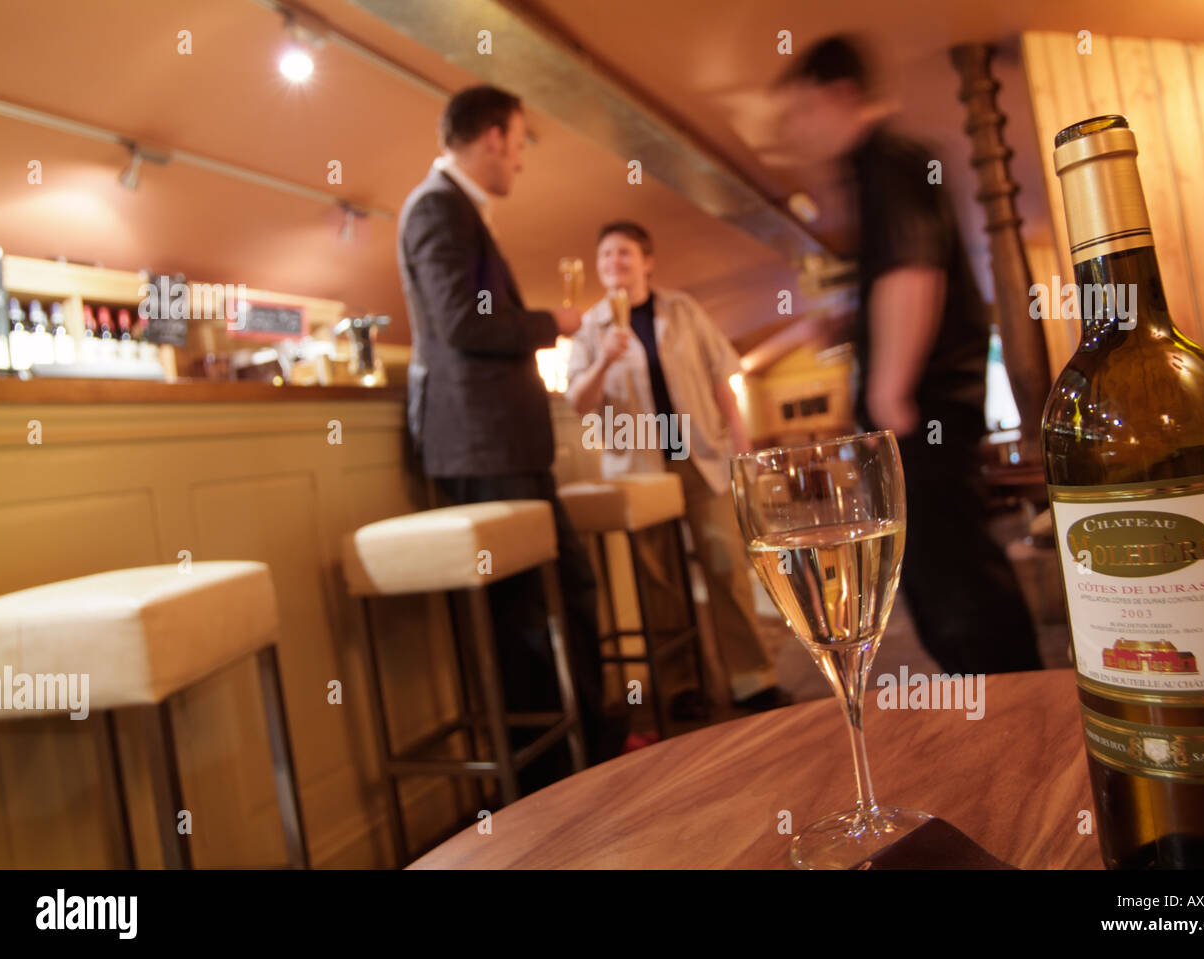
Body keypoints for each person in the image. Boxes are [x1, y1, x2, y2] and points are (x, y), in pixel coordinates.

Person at [775, 37, 1042, 674]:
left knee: (951, 575)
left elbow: (912, 270)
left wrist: (888, 392)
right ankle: (1001, 703)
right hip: (925, 410)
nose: (796, 130)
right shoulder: (879, 171)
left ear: (839, 95)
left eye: (802, 111)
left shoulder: (892, 162)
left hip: (922, 412)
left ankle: (1012, 710)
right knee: (939, 571)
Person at [397, 85, 625, 785]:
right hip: (481, 442)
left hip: (496, 441)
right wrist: (550, 323)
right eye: (521, 142)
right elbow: (462, 322)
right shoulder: (439, 206)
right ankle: (561, 772)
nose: (521, 161)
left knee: (554, 599)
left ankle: (580, 755)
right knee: (531, 613)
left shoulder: (452, 207)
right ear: (492, 136)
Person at [566, 221, 789, 714]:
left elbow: (720, 379)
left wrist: (743, 449)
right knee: (659, 580)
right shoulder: (590, 327)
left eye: (624, 253)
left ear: (647, 261)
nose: (613, 263)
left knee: (726, 564)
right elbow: (580, 404)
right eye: (605, 256)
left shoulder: (682, 310)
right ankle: (682, 685)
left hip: (697, 455)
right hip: (640, 468)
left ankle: (753, 679)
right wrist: (602, 362)